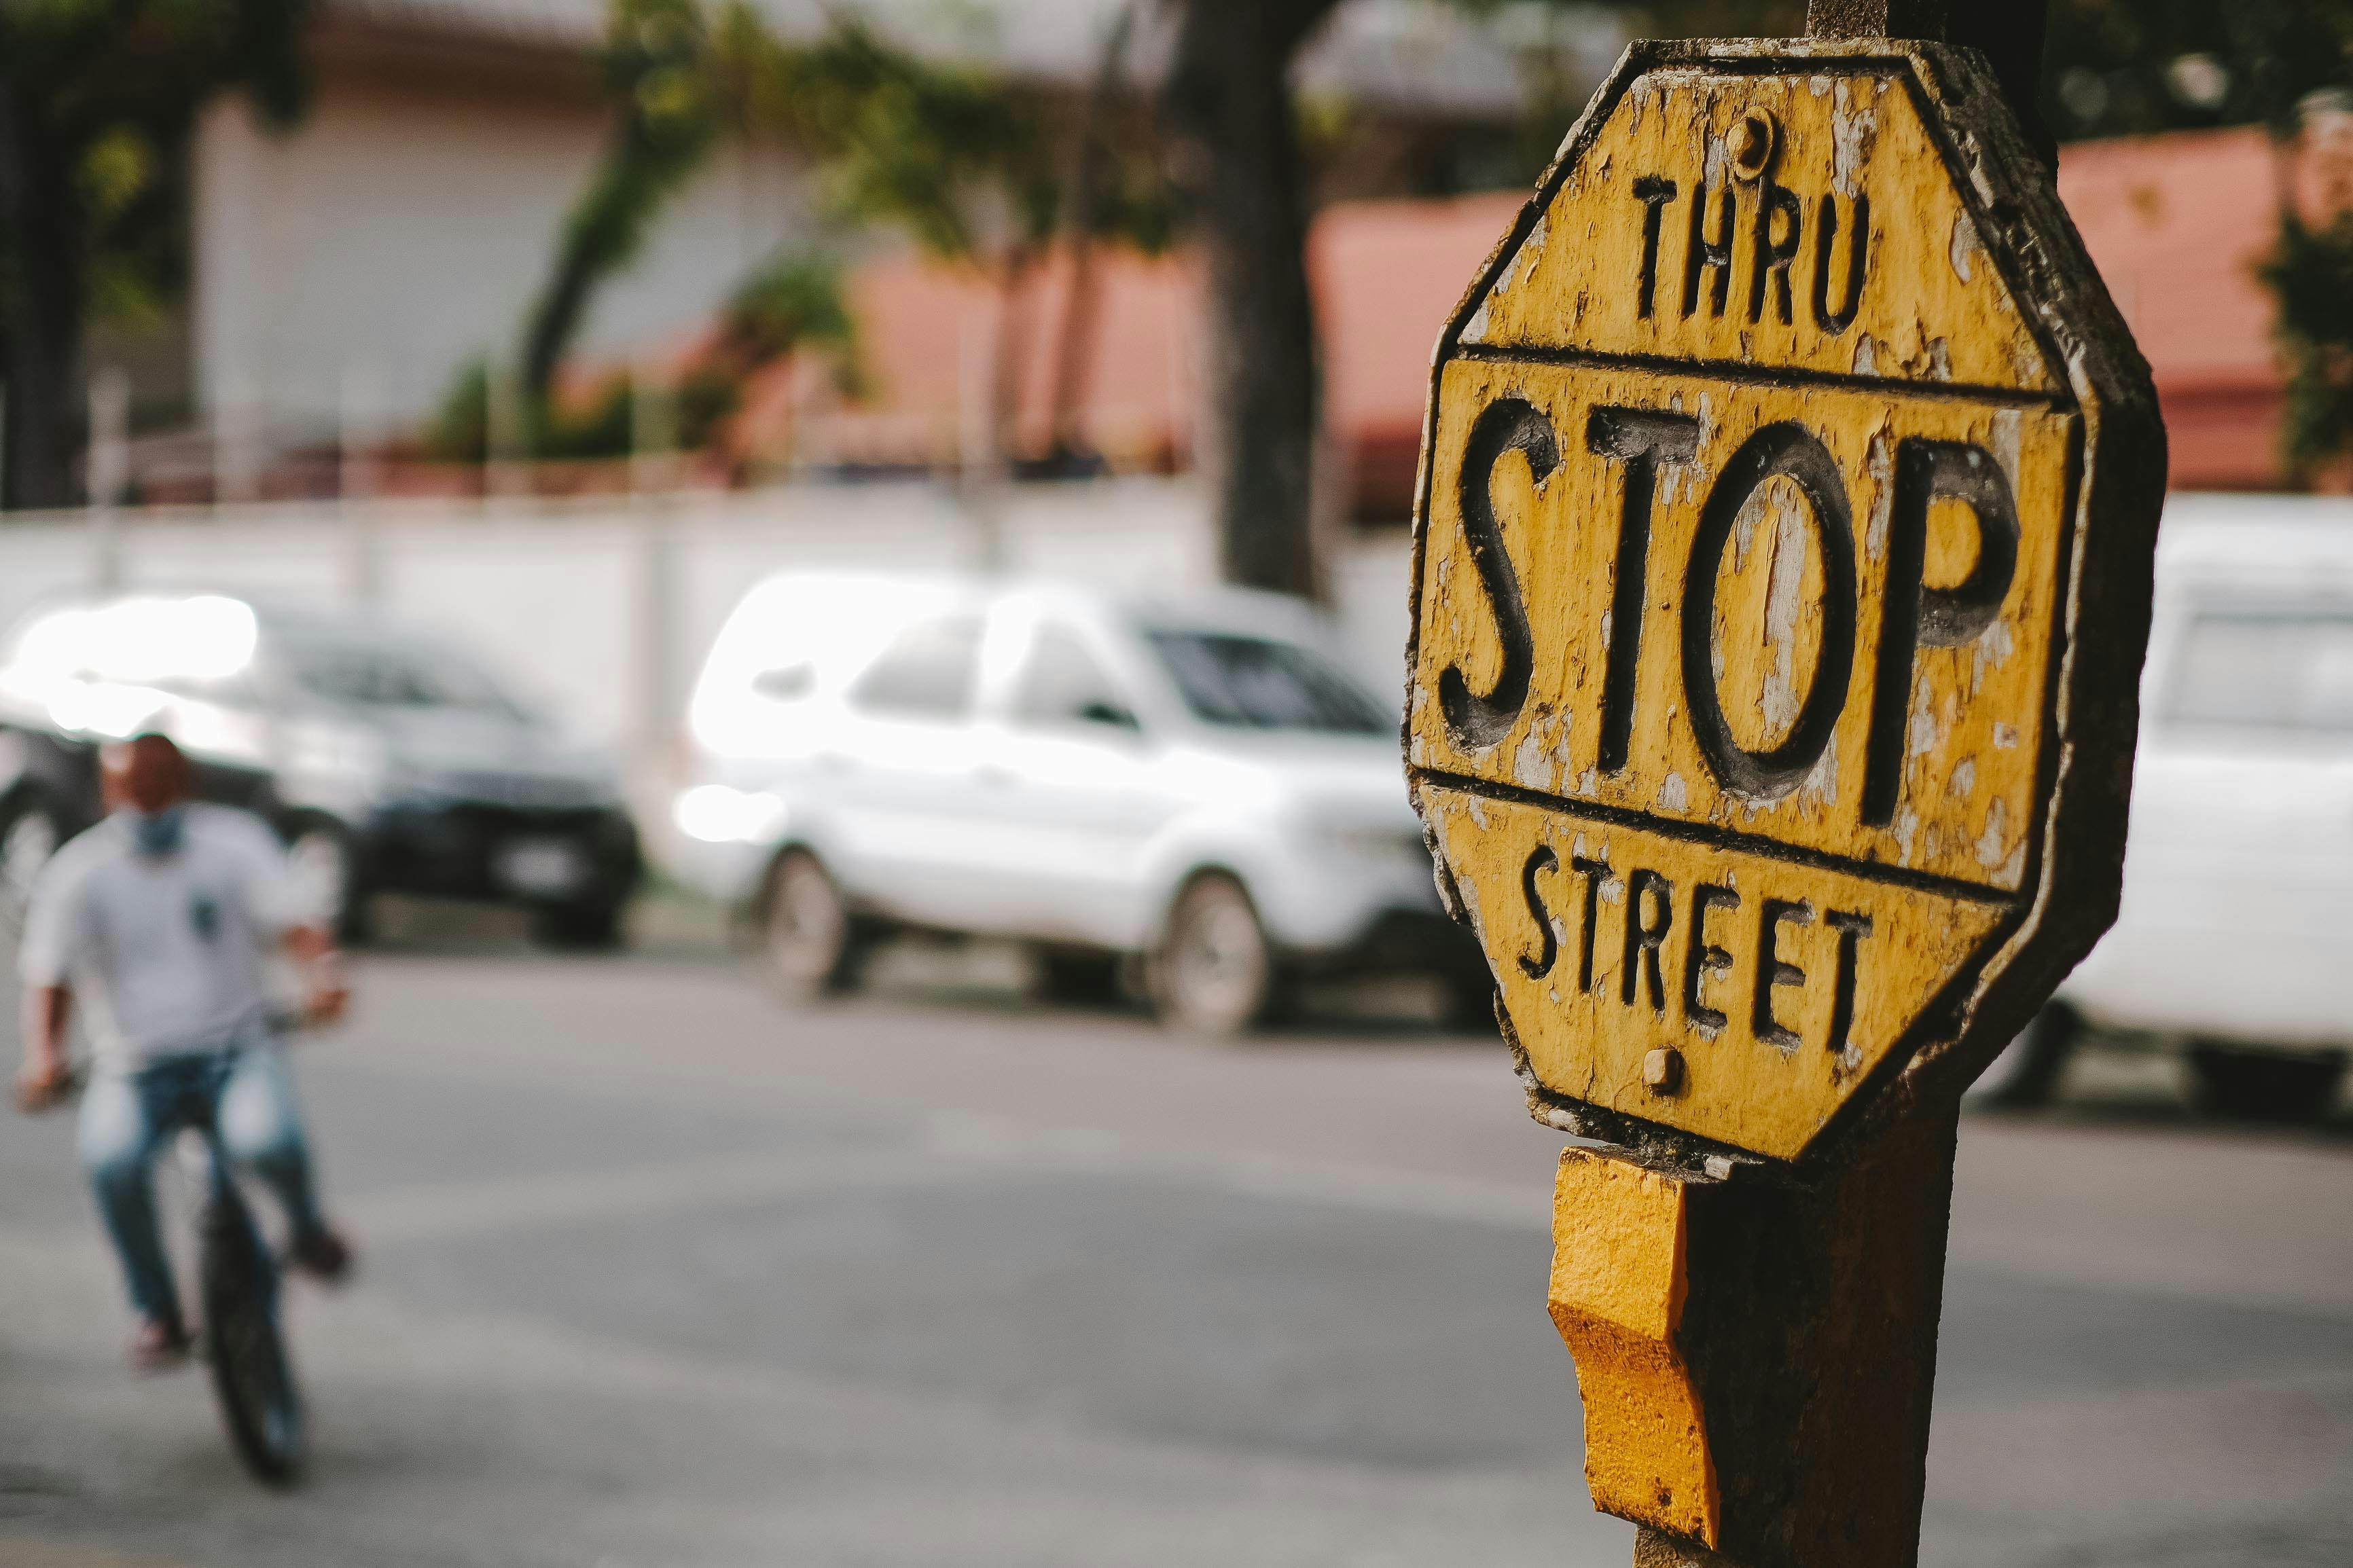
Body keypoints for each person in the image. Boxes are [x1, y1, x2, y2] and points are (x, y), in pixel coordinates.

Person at [13, 732, 355, 1370]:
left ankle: (307, 1233)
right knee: (112, 1163)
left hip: (237, 1048)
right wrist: (44, 1058)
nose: (148, 806)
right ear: (107, 794)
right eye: (132, 792)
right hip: (134, 1064)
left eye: (160, 788)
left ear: (187, 785)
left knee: (269, 1140)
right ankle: (158, 1311)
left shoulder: (234, 845)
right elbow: (49, 973)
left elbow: (296, 925)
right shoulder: (81, 872)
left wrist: (326, 977)